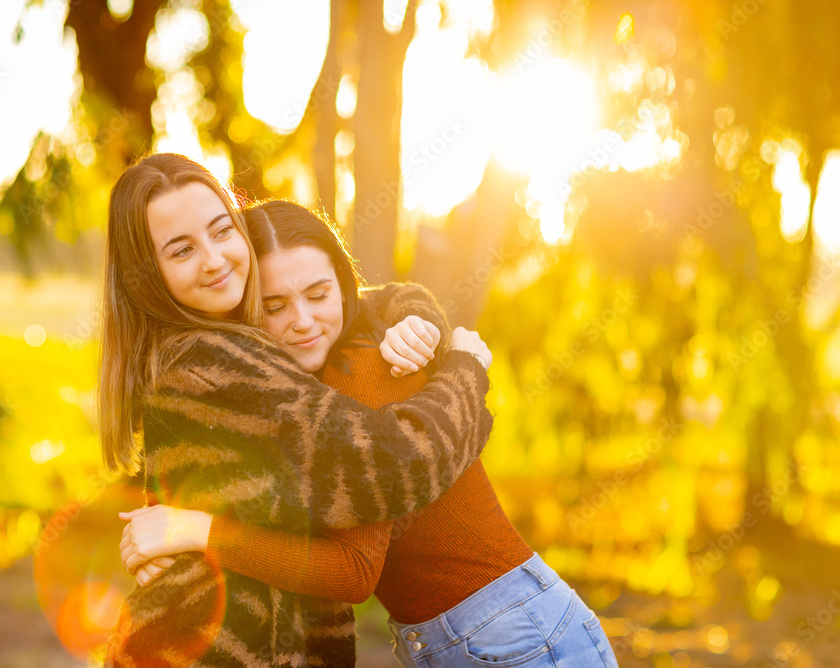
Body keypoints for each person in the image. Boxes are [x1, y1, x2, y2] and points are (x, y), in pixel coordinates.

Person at [120, 200, 620, 668]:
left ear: (342, 285)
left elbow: (353, 571)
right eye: (274, 307)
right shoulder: (296, 387)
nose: (303, 321)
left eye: (318, 295)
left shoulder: (366, 365)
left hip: (519, 636)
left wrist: (196, 532)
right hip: (477, 637)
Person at [99, 153, 495, 667]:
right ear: (145, 274)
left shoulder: (205, 344)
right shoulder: (214, 362)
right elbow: (395, 467)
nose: (215, 260)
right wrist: (465, 370)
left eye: (222, 230)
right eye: (181, 250)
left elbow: (359, 297)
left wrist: (416, 317)